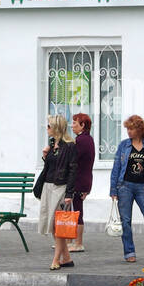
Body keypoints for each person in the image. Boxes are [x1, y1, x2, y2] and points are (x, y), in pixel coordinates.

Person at [109, 115, 144, 264]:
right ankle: (129, 252)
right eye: (127, 129)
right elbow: (116, 167)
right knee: (126, 221)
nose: (129, 132)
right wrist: (113, 190)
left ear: (140, 129)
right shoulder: (124, 145)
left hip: (143, 187)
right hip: (124, 187)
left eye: (131, 128)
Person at [35, 114, 78, 271]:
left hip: (60, 187)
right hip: (48, 186)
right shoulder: (53, 144)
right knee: (54, 226)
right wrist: (46, 156)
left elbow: (73, 171)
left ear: (56, 128)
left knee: (57, 225)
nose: (46, 128)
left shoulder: (70, 146)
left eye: (48, 126)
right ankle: (66, 258)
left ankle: (56, 259)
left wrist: (69, 194)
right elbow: (51, 167)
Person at [66, 113, 95, 253]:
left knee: (77, 212)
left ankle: (78, 243)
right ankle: (70, 241)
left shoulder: (82, 140)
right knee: (75, 210)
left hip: (80, 180)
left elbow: (73, 159)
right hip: (84, 179)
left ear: (83, 125)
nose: (72, 126)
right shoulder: (86, 139)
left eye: (75, 123)